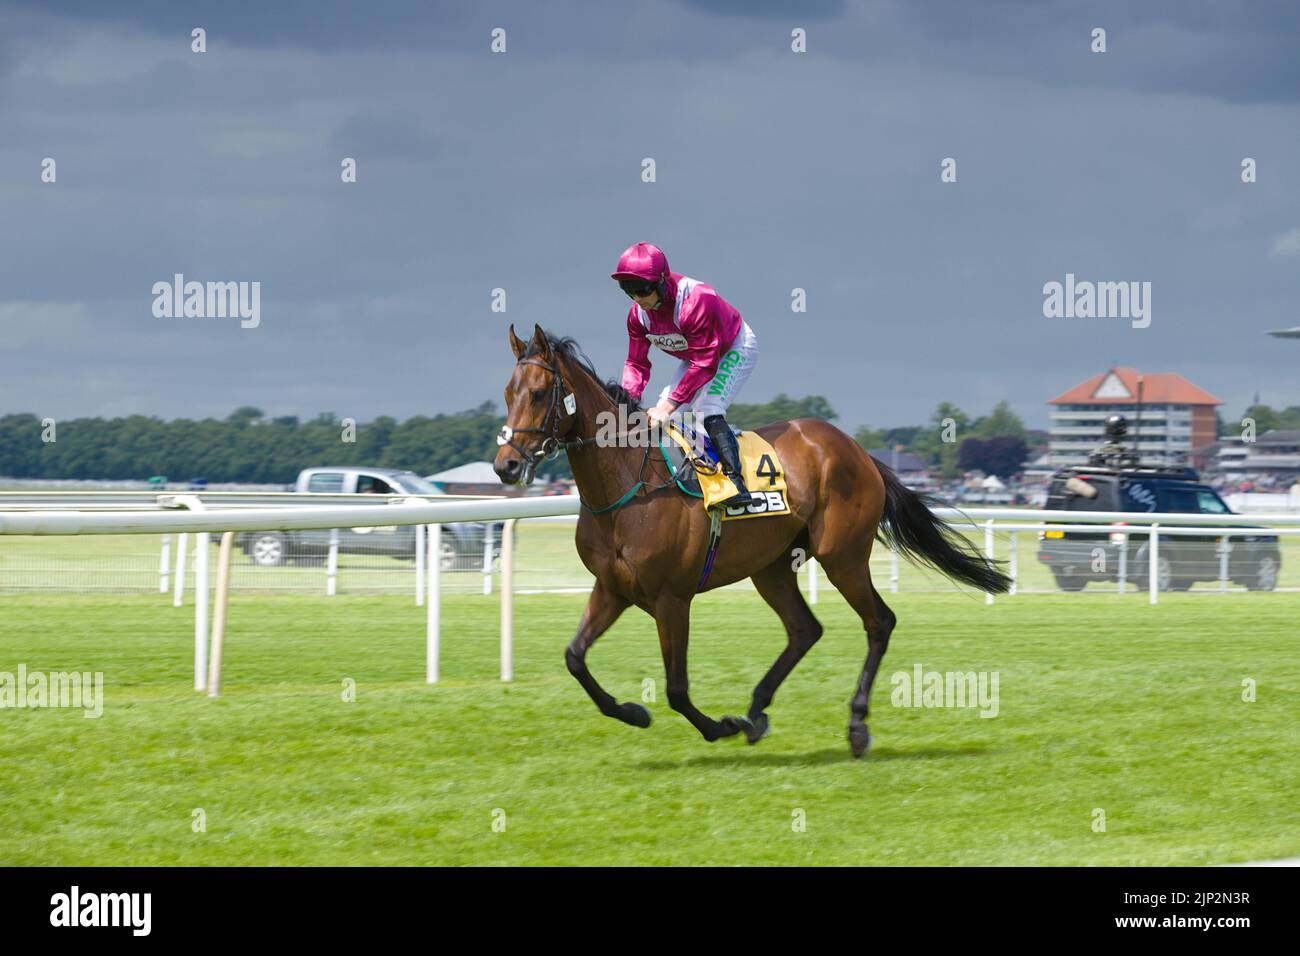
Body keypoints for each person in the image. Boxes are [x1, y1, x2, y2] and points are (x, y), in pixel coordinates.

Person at [612, 241, 758, 506]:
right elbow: (637, 364)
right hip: (698, 355)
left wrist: (667, 406)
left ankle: (736, 483)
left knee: (707, 408)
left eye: (642, 289)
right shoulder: (638, 316)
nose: (636, 298)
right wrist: (626, 406)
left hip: (733, 346)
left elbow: (705, 364)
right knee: (668, 418)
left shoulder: (694, 301)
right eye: (628, 290)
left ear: (662, 281)